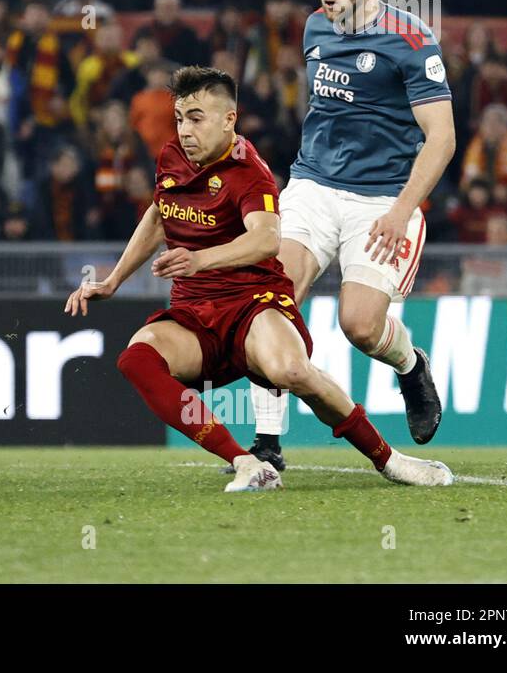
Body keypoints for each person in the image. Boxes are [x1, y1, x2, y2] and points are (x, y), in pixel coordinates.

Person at [64, 66, 453, 491]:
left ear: (229, 119)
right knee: (136, 359)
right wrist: (114, 280)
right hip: (196, 315)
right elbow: (159, 214)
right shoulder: (172, 156)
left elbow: (266, 240)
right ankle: (248, 462)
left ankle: (388, 459)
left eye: (196, 118)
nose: (184, 129)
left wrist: (200, 260)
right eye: (179, 118)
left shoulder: (249, 172)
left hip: (253, 305)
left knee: (292, 372)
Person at [245, 0, 455, 470]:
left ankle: (410, 366)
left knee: (359, 326)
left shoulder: (410, 39)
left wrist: (402, 209)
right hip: (313, 186)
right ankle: (266, 444)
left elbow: (442, 138)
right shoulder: (314, 27)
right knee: (270, 298)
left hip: (382, 200)